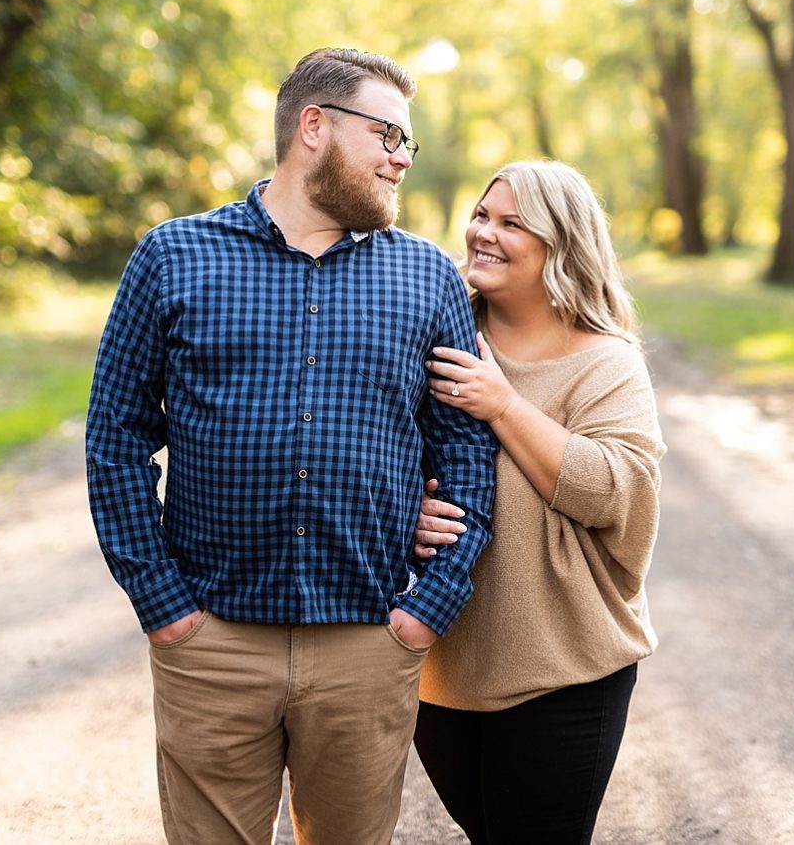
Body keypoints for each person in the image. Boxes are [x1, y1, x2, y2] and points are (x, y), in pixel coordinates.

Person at [85, 47, 498, 845]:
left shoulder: (428, 278)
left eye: (408, 144)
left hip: (368, 645)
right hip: (211, 643)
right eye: (388, 136)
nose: (402, 158)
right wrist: (164, 608)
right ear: (314, 126)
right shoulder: (173, 257)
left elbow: (466, 454)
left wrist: (425, 610)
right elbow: (115, 441)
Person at [409, 160, 665, 844]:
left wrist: (504, 405)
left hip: (567, 673)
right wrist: (407, 515)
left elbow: (620, 495)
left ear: (562, 245)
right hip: (445, 670)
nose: (482, 233)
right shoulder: (438, 338)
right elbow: (375, 463)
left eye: (512, 224)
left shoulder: (605, 362)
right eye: (483, 215)